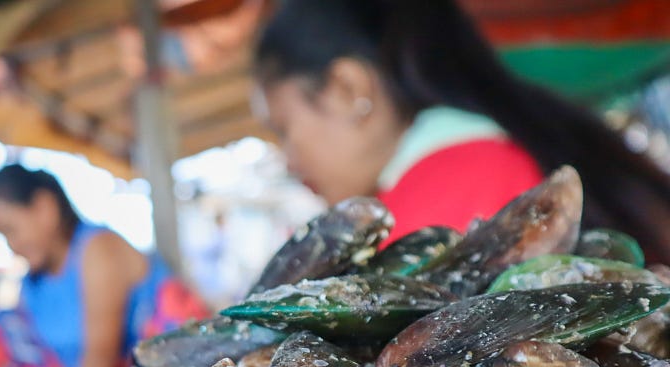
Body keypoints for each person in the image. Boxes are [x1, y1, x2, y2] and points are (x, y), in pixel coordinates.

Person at [252, 0, 670, 260]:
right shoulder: (500, 144)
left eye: (284, 128)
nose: (288, 161)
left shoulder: (453, 186)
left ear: (348, 89)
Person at [0, 164, 210, 367]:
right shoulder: (31, 284)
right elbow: (21, 366)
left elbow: (100, 357)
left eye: (11, 230)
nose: (12, 245)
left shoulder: (97, 249)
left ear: (44, 208)